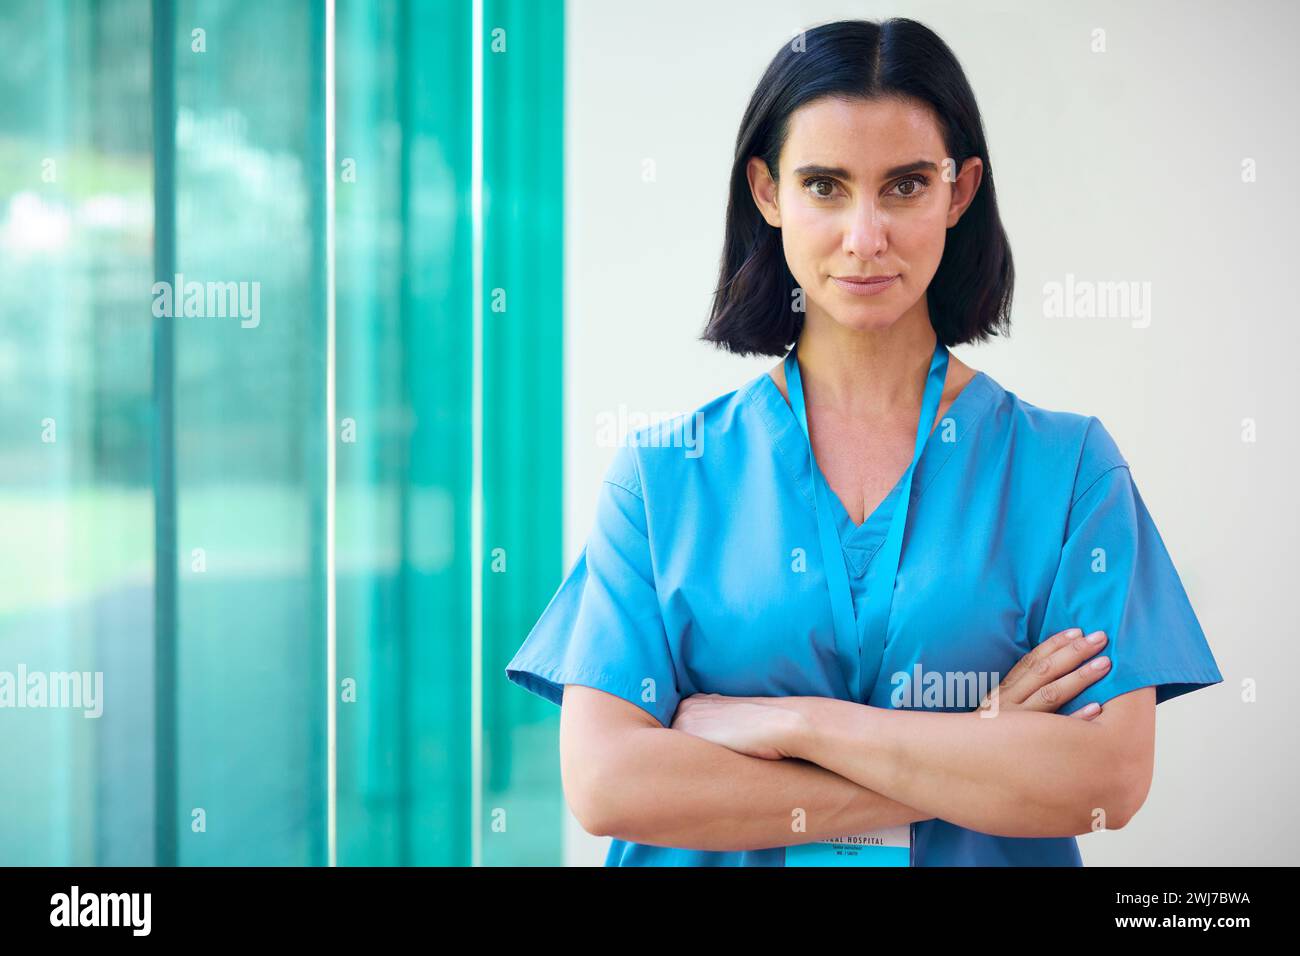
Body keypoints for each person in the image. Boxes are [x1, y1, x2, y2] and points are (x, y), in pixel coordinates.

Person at [505, 17, 1222, 866]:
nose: (865, 235)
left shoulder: (1070, 475)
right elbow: (611, 786)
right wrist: (979, 746)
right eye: (825, 185)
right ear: (768, 194)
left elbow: (1103, 782)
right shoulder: (662, 481)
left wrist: (797, 725)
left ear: (960, 192)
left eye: (906, 186)